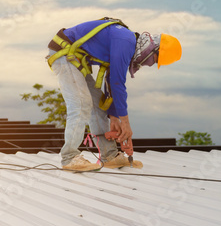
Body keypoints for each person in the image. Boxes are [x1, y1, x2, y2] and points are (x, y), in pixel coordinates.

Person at [46, 18, 180, 172]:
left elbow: (111, 80)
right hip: (63, 53)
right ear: (152, 49)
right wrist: (125, 123)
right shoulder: (126, 41)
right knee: (81, 103)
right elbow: (117, 82)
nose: (150, 64)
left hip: (75, 58)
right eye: (155, 60)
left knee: (97, 105)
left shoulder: (127, 43)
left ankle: (109, 156)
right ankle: (69, 157)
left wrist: (115, 117)